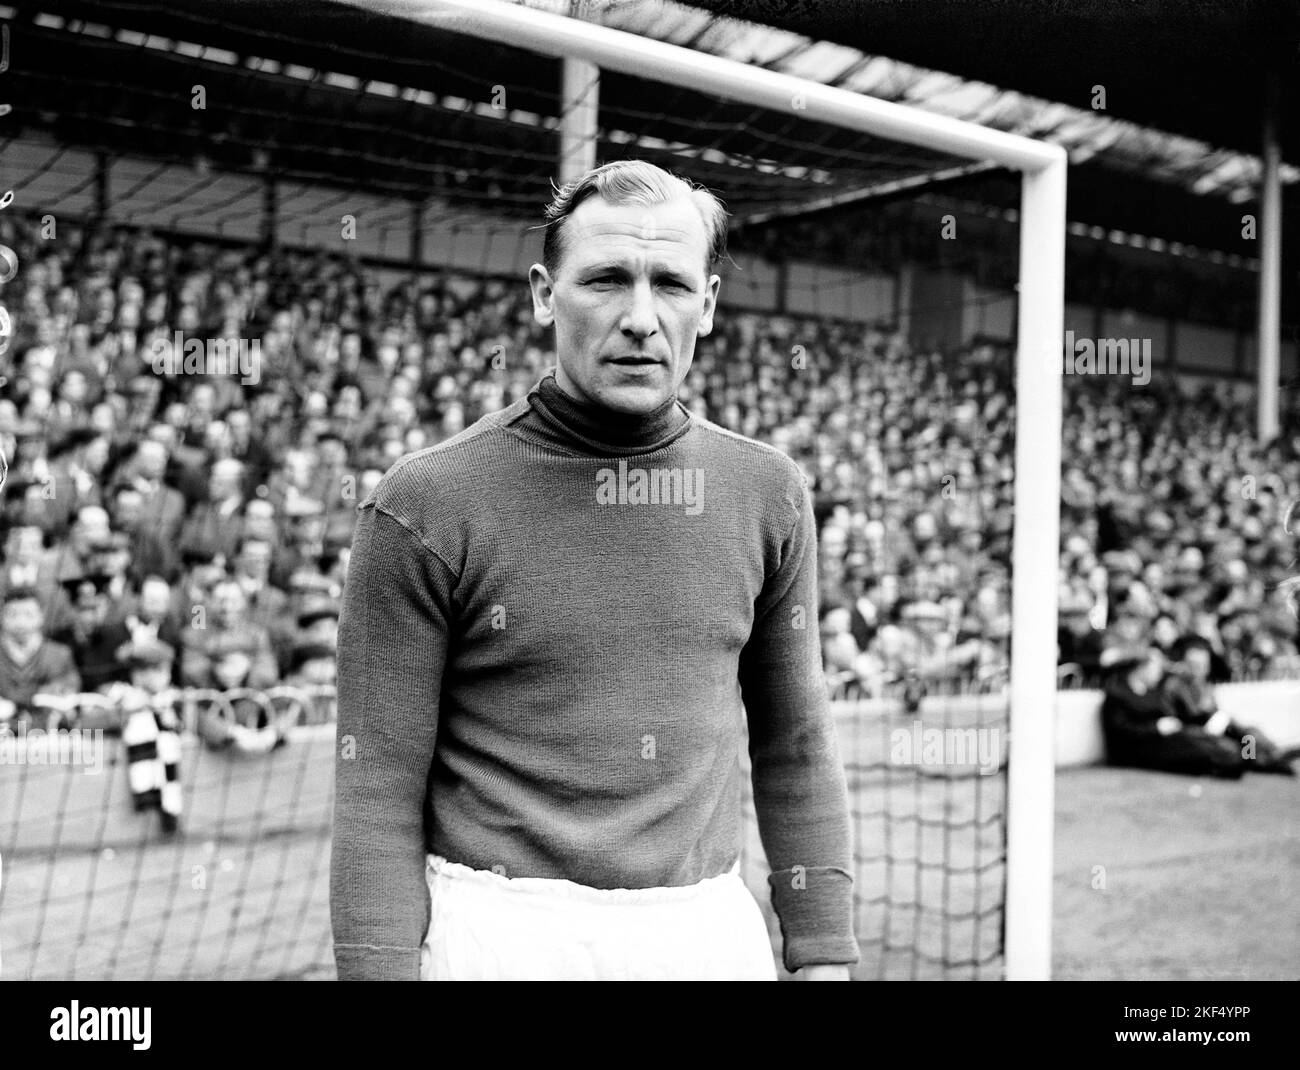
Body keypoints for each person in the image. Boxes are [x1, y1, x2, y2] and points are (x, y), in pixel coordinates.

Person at [332, 160, 857, 981]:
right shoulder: (425, 501)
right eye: (608, 279)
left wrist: (824, 955)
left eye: (672, 285)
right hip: (497, 936)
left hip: (705, 935)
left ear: (708, 304)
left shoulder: (768, 492)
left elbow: (795, 742)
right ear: (546, 294)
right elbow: (377, 787)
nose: (641, 318)